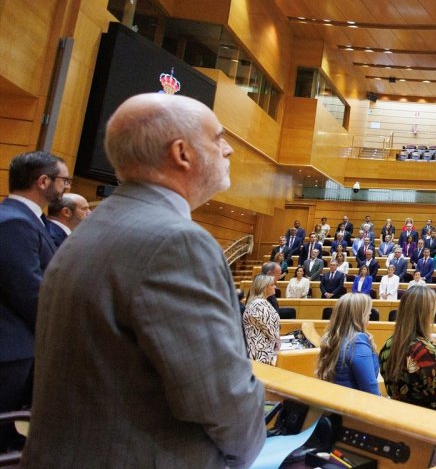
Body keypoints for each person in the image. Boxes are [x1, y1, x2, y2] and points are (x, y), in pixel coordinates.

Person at [25, 95, 264, 467]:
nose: (229, 149)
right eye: (218, 138)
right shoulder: (177, 242)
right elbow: (222, 398)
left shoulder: (90, 228)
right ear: (181, 153)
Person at [1, 151, 69, 451]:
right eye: (63, 180)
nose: (65, 188)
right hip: (9, 347)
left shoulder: (26, 219)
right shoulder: (15, 221)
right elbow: (29, 291)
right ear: (44, 181)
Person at [380, 285, 436, 413]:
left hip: (397, 415)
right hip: (426, 421)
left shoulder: (388, 344)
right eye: (435, 307)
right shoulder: (426, 351)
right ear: (426, 312)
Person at [317, 293, 380, 395]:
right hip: (354, 405)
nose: (370, 315)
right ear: (359, 315)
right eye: (368, 312)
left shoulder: (334, 337)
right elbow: (370, 387)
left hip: (336, 400)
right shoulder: (358, 341)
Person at [243, 274, 281, 365]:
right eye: (272, 285)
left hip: (260, 351)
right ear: (264, 288)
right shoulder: (259, 305)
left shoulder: (259, 302)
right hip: (260, 354)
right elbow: (272, 332)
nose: (275, 287)